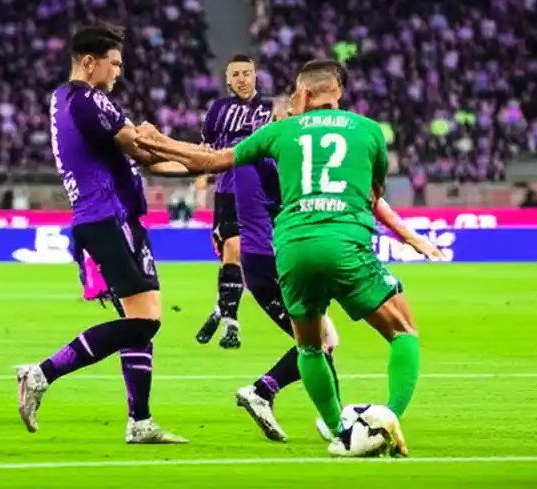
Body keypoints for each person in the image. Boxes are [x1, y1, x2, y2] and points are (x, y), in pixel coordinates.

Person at [135, 59, 444, 457]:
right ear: (339, 94)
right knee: (403, 332)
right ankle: (388, 418)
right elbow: (373, 196)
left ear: (301, 93)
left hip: (292, 249)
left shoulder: (278, 133)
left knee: (311, 346)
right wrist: (410, 236)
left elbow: (209, 161)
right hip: (345, 242)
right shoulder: (369, 132)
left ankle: (341, 432)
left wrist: (157, 141)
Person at [15, 25, 191, 444]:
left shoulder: (65, 99)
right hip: (105, 216)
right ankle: (42, 372)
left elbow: (145, 155)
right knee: (145, 321)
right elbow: (143, 148)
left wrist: (210, 162)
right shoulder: (89, 100)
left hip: (116, 217)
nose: (118, 73)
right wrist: (210, 154)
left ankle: (140, 421)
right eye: (114, 64)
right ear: (89, 62)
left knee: (137, 320)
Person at [232, 94, 439, 443]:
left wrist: (409, 236)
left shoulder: (280, 151)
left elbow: (365, 197)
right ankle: (267, 392)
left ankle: (331, 422)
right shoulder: (270, 154)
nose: (297, 119)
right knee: (323, 340)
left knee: (321, 341)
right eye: (287, 114)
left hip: (281, 254)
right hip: (274, 256)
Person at [195, 54, 271, 349]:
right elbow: (206, 151)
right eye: (236, 74)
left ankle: (220, 309)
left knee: (252, 260)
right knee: (232, 249)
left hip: (265, 190)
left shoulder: (271, 109)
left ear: (255, 76)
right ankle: (232, 325)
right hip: (229, 189)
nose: (242, 78)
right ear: (228, 79)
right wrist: (202, 185)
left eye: (247, 73)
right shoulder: (218, 110)